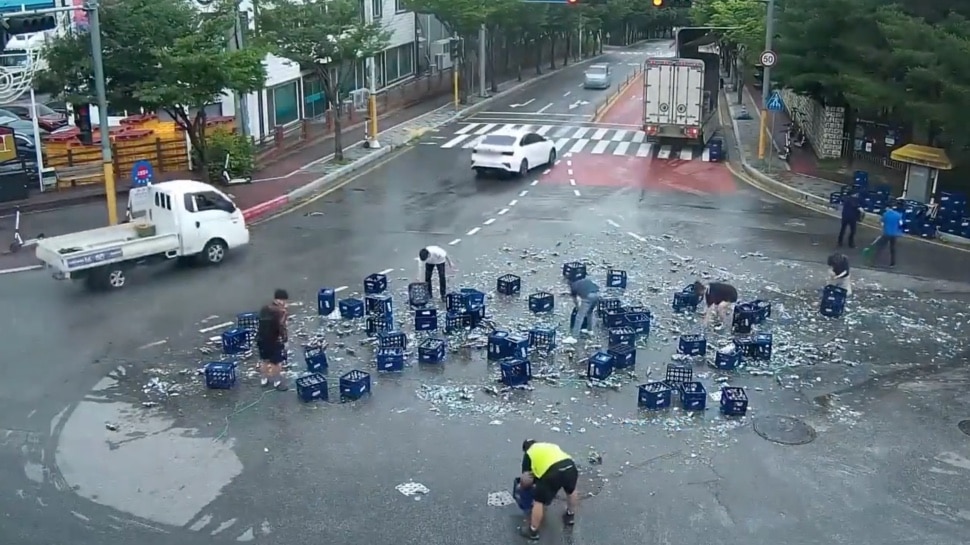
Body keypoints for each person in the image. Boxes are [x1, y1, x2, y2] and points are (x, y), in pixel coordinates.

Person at [517, 439, 579, 540]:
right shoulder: (549, 446)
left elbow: (527, 477)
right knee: (571, 491)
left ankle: (533, 531)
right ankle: (570, 516)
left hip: (553, 472)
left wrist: (523, 487)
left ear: (525, 449)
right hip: (570, 466)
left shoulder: (529, 453)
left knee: (539, 502)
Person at [257, 289, 289, 391]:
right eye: (283, 300)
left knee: (264, 360)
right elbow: (281, 326)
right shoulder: (281, 312)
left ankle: (264, 380)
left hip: (261, 339)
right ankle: (277, 382)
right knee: (277, 362)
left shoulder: (264, 308)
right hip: (274, 340)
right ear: (280, 300)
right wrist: (285, 339)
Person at [563, 276, 600, 345]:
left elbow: (575, 300)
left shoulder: (573, 286)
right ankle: (589, 330)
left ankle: (574, 337)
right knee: (590, 312)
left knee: (579, 316)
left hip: (588, 296)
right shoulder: (584, 280)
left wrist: (578, 307)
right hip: (597, 294)